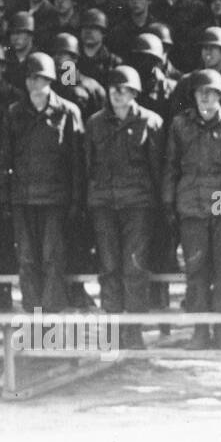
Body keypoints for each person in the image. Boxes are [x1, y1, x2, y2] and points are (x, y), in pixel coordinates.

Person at [162, 68, 221, 350]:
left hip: (220, 196)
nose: (206, 98)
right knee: (196, 268)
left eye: (211, 93)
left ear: (220, 96)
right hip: (191, 202)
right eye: (201, 93)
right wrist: (168, 202)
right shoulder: (180, 125)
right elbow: (171, 165)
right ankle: (200, 330)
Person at [0, 54, 84, 315]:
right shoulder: (14, 113)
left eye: (40, 78)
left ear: (51, 80)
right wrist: (5, 198)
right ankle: (34, 317)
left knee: (52, 258)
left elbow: (77, 162)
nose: (34, 83)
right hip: (23, 199)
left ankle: (52, 319)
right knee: (26, 259)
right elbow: (5, 159)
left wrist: (76, 200)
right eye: (30, 78)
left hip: (55, 199)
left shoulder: (68, 112)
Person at [84, 66, 163, 349]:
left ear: (134, 93)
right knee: (109, 267)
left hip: (138, 204)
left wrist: (158, 204)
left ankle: (134, 329)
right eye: (113, 89)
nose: (117, 94)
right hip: (104, 204)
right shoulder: (95, 123)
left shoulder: (150, 122)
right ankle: (113, 328)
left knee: (134, 266)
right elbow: (88, 165)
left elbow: (157, 167)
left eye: (123, 89)